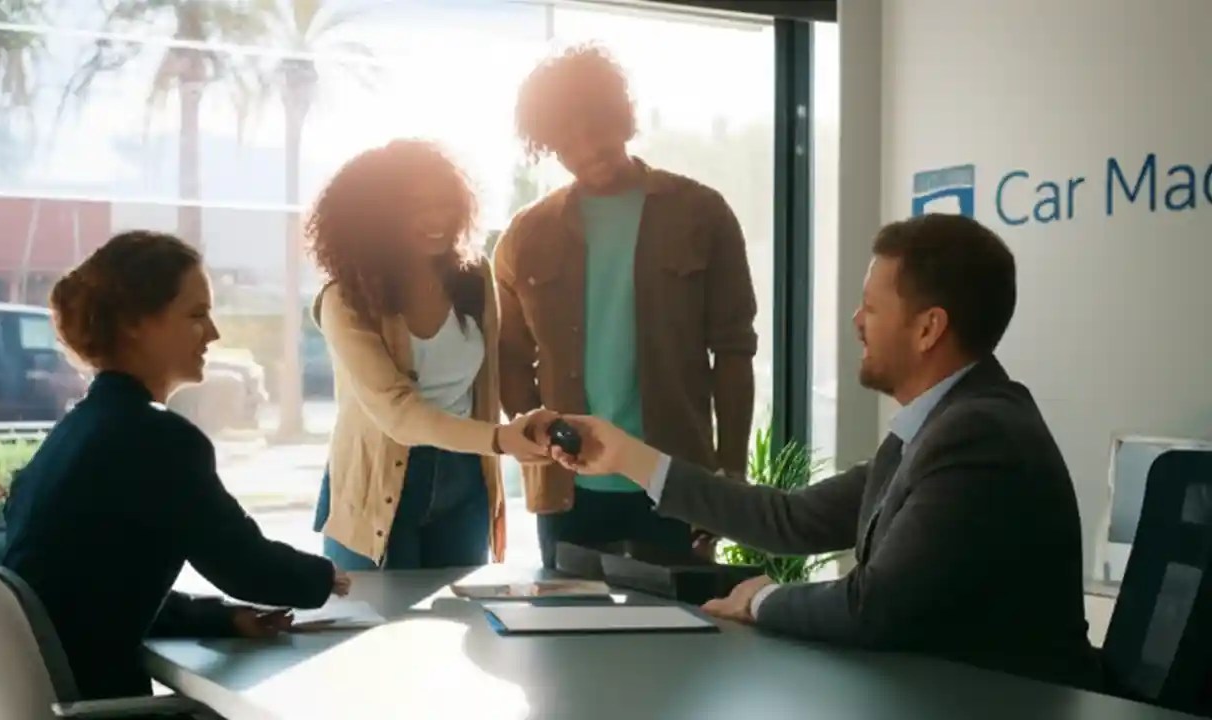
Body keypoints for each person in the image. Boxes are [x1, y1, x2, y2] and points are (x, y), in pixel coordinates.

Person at [546, 214, 1099, 689]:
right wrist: (627, 457)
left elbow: (874, 608)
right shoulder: (939, 426)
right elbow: (793, 520)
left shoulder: (979, 435)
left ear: (929, 328)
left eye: (871, 309)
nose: (857, 322)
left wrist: (760, 599)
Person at [2, 231, 350, 701]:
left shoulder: (77, 433)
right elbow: (246, 565)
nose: (214, 333)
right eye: (196, 315)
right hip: (101, 706)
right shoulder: (154, 439)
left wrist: (221, 618)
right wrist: (327, 578)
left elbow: (88, 591)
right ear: (134, 323)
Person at [494, 44, 759, 569]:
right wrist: (540, 437)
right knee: (567, 643)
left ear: (623, 116)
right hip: (568, 490)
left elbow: (733, 351)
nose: (587, 148)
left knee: (677, 644)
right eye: (566, 140)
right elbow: (508, 353)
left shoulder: (701, 214)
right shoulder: (527, 234)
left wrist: (730, 474)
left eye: (595, 128)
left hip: (674, 482)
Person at [308, 139, 554, 571]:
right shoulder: (344, 299)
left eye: (445, 203)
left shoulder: (474, 279)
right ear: (376, 216)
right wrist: (500, 440)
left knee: (458, 625)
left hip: (465, 479)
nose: (437, 219)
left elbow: (489, 384)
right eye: (416, 207)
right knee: (377, 631)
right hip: (376, 487)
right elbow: (398, 414)